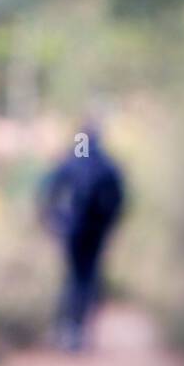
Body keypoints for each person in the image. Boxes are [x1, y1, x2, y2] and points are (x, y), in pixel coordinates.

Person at [40, 125, 125, 350]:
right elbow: (119, 201)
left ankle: (67, 329)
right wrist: (109, 227)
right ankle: (77, 330)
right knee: (87, 278)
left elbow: (49, 192)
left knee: (73, 277)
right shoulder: (108, 165)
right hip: (95, 232)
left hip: (73, 232)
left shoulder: (70, 162)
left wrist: (54, 221)